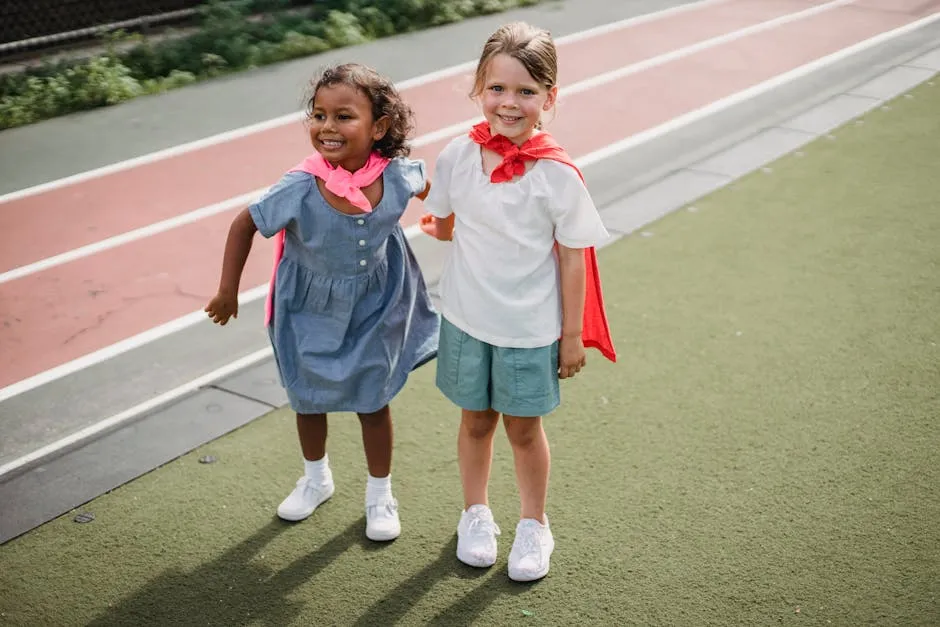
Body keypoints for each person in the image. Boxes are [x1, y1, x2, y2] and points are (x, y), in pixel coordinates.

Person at [205, 63, 439, 542]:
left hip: (378, 301)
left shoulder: (397, 177)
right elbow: (243, 224)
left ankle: (380, 494)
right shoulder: (299, 186)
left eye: (344, 117)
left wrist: (448, 223)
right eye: (318, 115)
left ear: (379, 127)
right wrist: (228, 291)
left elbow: (436, 194)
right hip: (307, 308)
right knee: (308, 398)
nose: (327, 127)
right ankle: (316, 480)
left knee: (373, 401)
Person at [419, 22, 617, 581]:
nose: (509, 103)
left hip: (531, 327)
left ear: (549, 99)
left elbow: (575, 255)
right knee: (476, 421)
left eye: (526, 92)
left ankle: (534, 524)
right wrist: (430, 223)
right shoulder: (457, 155)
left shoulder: (557, 175)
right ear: (478, 89)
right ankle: (475, 514)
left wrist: (572, 335)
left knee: (524, 430)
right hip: (466, 317)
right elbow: (449, 219)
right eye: (497, 88)